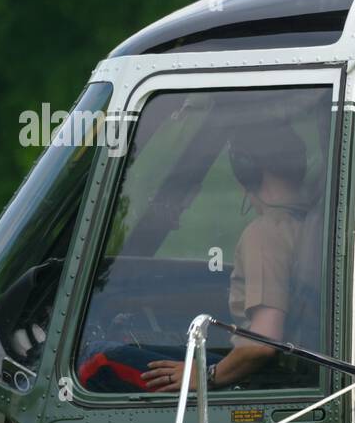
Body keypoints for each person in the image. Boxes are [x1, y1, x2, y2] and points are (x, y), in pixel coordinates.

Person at [79, 133, 320, 393]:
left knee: (95, 359)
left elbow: (263, 342)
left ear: (247, 171)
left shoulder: (264, 233)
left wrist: (206, 376)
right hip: (277, 374)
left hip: (251, 380)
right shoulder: (307, 225)